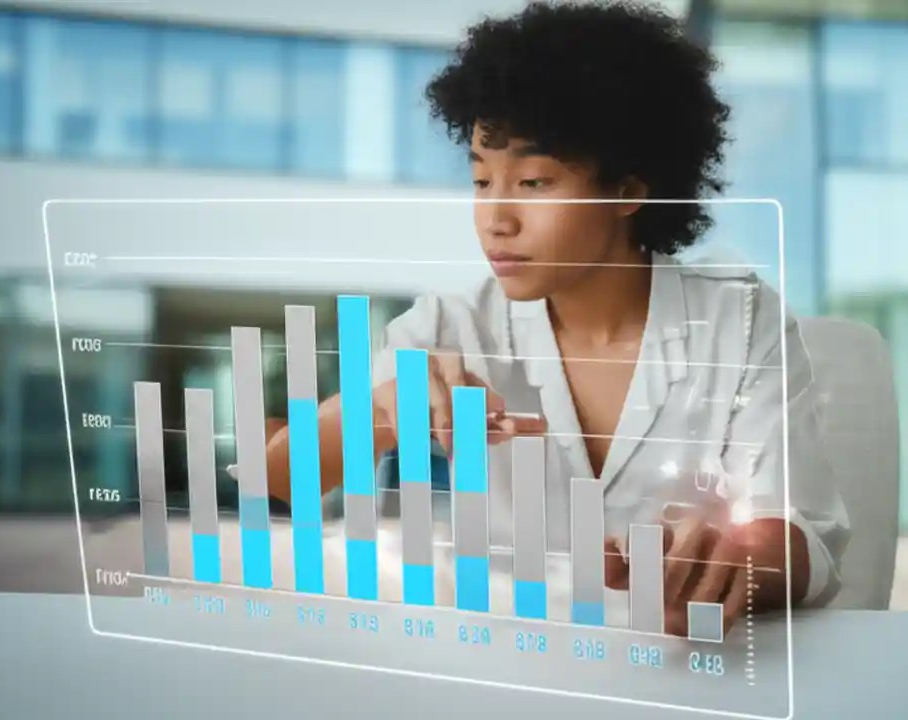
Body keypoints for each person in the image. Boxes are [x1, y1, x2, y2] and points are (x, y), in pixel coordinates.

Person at [266, 0, 849, 635]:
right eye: (482, 182)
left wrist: (734, 560)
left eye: (535, 183)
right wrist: (381, 410)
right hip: (497, 667)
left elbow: (797, 527)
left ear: (628, 192)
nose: (496, 218)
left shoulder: (741, 319)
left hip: (685, 671)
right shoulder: (448, 328)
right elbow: (278, 479)